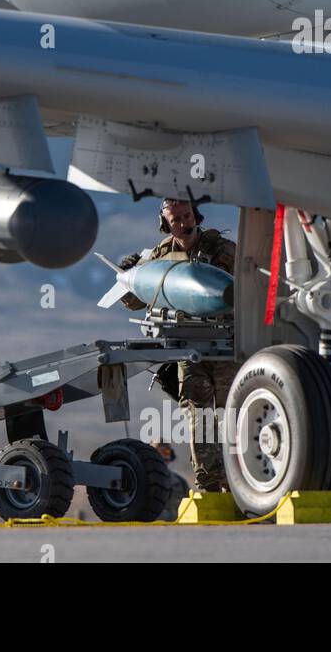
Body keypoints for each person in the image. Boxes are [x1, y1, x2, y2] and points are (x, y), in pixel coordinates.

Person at [117, 198, 240, 492]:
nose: (184, 223)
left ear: (196, 215)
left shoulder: (222, 251)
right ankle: (210, 484)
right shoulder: (161, 255)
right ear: (166, 224)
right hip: (189, 350)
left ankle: (239, 483)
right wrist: (127, 278)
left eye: (187, 216)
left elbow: (248, 289)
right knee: (199, 417)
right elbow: (135, 302)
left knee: (231, 416)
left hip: (227, 348)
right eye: (177, 220)